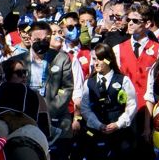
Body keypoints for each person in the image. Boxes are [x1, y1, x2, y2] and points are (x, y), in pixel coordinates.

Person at [79, 43, 137, 160]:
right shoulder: (89, 83)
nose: (96, 63)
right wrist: (98, 125)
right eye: (94, 59)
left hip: (120, 134)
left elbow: (132, 105)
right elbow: (85, 108)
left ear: (108, 59)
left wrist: (118, 124)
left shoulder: (123, 80)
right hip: (96, 133)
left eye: (100, 59)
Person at [113, 7, 159, 154]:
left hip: (149, 112)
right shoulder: (117, 49)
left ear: (147, 24)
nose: (130, 24)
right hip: (125, 112)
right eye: (128, 20)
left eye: (135, 21)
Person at [25, 20, 74, 152]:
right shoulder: (18, 61)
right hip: (27, 121)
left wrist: (48, 110)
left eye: (45, 39)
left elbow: (67, 88)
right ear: (29, 39)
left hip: (57, 121)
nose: (42, 42)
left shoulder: (61, 58)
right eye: (37, 39)